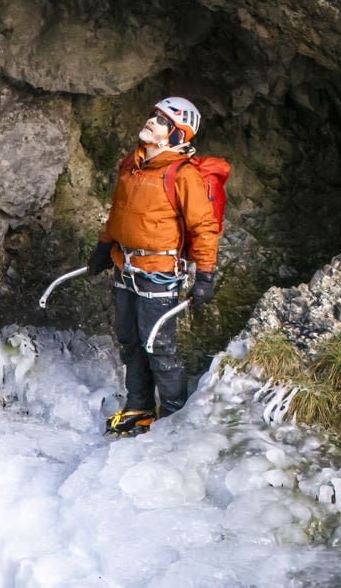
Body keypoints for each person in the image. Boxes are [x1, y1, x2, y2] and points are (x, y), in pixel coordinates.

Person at [86, 96, 220, 437]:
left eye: (162, 120)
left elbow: (203, 227)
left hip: (159, 272)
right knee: (129, 338)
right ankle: (139, 406)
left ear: (177, 134)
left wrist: (205, 274)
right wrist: (104, 247)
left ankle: (174, 418)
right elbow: (118, 213)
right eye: (153, 116)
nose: (151, 121)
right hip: (124, 266)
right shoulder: (131, 165)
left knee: (157, 344)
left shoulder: (182, 175)